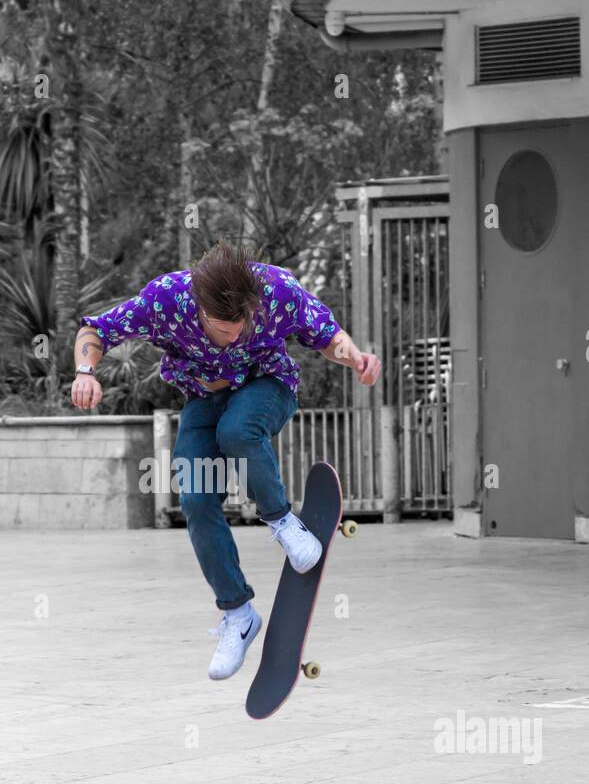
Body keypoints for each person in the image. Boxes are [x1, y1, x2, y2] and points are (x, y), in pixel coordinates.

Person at [71, 239, 381, 679]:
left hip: (267, 386)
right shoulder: (166, 298)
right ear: (197, 306)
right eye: (222, 328)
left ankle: (282, 522)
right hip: (204, 397)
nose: (234, 335)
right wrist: (86, 372)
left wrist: (354, 357)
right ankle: (238, 613)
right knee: (194, 496)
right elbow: (94, 331)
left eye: (241, 326)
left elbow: (328, 336)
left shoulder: (277, 289)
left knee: (238, 431)